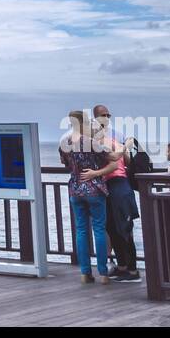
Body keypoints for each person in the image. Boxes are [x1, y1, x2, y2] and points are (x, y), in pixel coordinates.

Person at [59, 109, 117, 284]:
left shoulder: (64, 143)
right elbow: (112, 159)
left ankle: (85, 272)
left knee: (81, 230)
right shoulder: (91, 142)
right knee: (99, 229)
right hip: (94, 188)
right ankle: (103, 273)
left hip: (76, 189)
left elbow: (65, 164)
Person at [92, 105, 140, 283]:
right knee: (112, 228)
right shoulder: (99, 140)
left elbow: (122, 159)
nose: (106, 118)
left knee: (124, 229)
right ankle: (122, 267)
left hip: (119, 184)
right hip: (108, 186)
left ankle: (133, 270)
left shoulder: (111, 139)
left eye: (107, 115)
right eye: (102, 116)